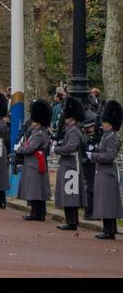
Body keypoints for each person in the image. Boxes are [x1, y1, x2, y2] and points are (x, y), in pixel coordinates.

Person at [16, 99, 53, 222]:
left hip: (34, 163)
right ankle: (39, 213)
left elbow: (30, 148)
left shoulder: (38, 134)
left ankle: (36, 213)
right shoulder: (41, 131)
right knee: (38, 189)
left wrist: (19, 149)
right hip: (37, 162)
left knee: (35, 189)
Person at [88, 100, 120, 240]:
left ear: (111, 123)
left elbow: (110, 156)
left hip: (107, 173)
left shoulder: (112, 136)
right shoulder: (106, 135)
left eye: (105, 122)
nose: (103, 124)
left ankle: (110, 231)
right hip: (103, 172)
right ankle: (108, 229)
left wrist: (93, 155)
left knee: (108, 203)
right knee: (105, 202)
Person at [53, 97, 85, 231]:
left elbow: (70, 148)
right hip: (69, 164)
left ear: (71, 118)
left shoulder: (73, 131)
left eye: (67, 117)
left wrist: (57, 149)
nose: (65, 120)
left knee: (70, 195)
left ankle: (71, 222)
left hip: (71, 165)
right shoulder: (72, 130)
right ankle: (71, 221)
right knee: (69, 194)